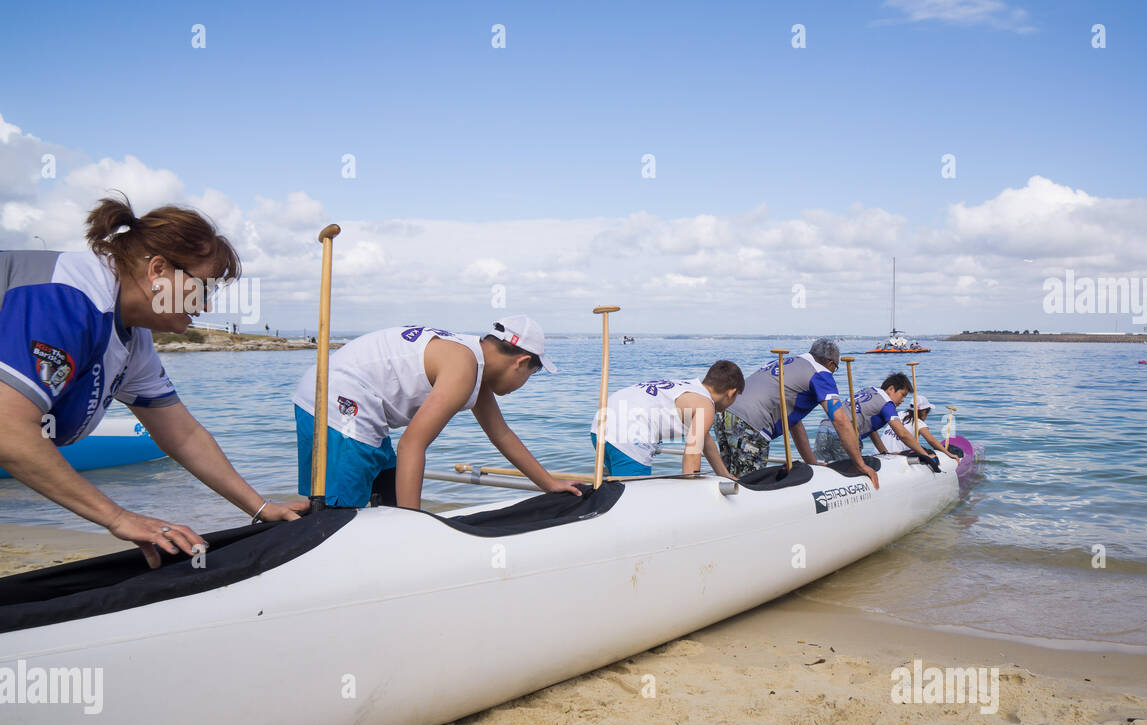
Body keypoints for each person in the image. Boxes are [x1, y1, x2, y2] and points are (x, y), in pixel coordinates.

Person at [0, 196, 305, 567]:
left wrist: (259, 507)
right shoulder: (69, 296)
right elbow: (8, 429)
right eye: (203, 289)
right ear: (158, 269)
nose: (206, 306)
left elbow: (182, 434)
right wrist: (118, 518)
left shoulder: (131, 333)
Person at [292, 316, 582, 508]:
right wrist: (412, 524)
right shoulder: (463, 367)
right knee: (339, 512)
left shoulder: (470, 359)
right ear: (520, 362)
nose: (524, 383)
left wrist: (549, 484)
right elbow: (412, 443)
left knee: (389, 492)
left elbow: (502, 435)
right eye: (532, 374)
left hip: (340, 396)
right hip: (338, 399)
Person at [713, 338, 878, 487]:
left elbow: (793, 423)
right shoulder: (821, 373)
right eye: (836, 368)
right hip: (751, 423)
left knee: (729, 479)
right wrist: (860, 464)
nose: (833, 372)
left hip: (724, 413)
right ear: (830, 364)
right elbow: (840, 420)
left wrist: (811, 463)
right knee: (749, 484)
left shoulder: (788, 363)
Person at [591, 360, 745, 477]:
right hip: (629, 433)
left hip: (600, 425)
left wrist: (724, 476)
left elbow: (706, 442)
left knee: (615, 488)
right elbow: (691, 455)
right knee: (633, 495)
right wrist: (694, 494)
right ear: (732, 392)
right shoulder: (706, 405)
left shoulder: (687, 388)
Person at [813, 372, 939, 467]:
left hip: (823, 429)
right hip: (844, 435)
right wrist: (925, 455)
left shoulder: (869, 390)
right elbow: (903, 434)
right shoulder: (887, 403)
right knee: (850, 472)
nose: (902, 400)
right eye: (902, 395)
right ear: (891, 389)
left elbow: (872, 430)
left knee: (825, 469)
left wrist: (884, 453)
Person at [875, 395, 960, 460]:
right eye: (927, 412)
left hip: (878, 453)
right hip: (894, 456)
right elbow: (931, 440)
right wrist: (948, 454)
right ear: (923, 412)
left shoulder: (898, 414)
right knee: (924, 451)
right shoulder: (919, 423)